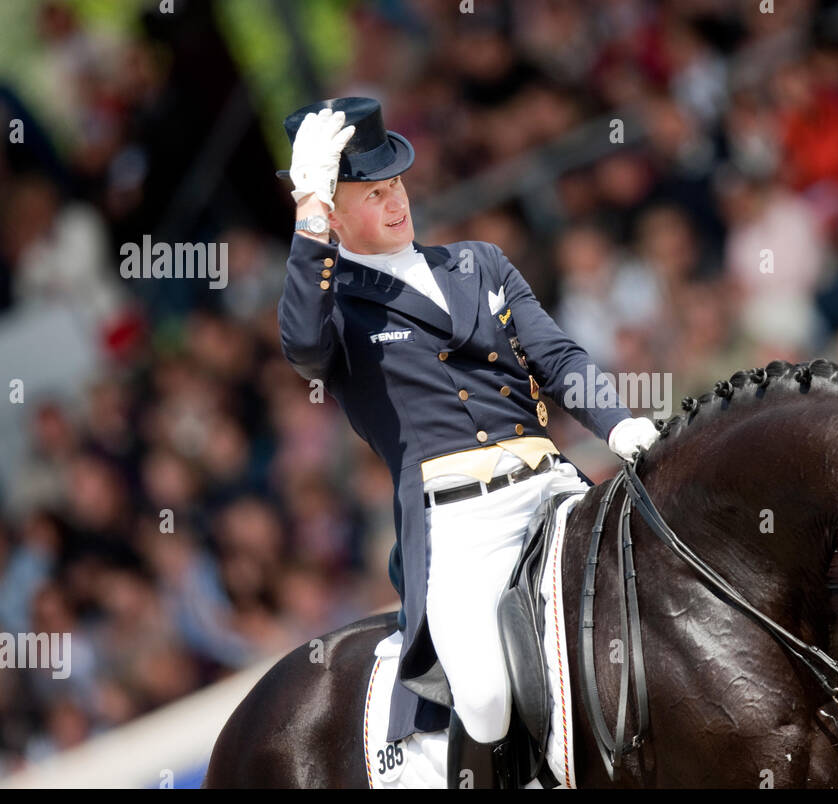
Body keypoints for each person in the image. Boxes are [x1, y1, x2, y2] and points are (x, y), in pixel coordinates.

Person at [275, 98, 659, 749]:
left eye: (394, 184)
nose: (396, 203)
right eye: (372, 195)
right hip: (458, 523)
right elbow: (301, 343)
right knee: (482, 700)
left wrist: (622, 427)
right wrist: (307, 215)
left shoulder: (478, 265)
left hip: (549, 489)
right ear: (336, 214)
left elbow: (558, 358)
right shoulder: (336, 308)